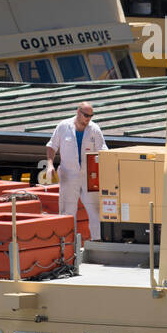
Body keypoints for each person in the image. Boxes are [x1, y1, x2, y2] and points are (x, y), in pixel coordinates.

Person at [45, 102, 108, 241]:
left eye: (91, 116)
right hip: (68, 176)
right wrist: (50, 165)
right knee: (67, 212)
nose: (88, 119)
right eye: (86, 115)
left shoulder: (95, 129)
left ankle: (97, 242)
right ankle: (66, 246)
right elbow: (51, 146)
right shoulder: (63, 126)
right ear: (78, 112)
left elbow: (104, 151)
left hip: (89, 176)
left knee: (95, 211)